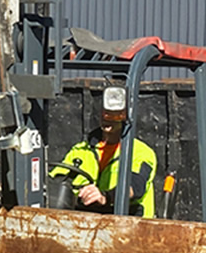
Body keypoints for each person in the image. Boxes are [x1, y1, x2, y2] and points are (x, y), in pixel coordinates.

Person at [50, 86, 157, 218]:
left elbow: (134, 187)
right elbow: (55, 181)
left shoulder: (140, 152)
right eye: (105, 113)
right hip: (88, 224)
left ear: (126, 116)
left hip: (130, 224)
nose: (108, 118)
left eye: (115, 114)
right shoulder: (80, 150)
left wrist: (105, 196)